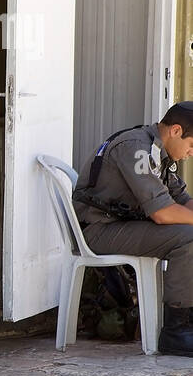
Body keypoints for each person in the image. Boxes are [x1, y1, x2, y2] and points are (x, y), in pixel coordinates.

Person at [73, 101, 193, 355]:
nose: (191, 152)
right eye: (192, 144)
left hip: (120, 227)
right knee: (189, 238)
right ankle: (176, 332)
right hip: (98, 230)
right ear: (175, 131)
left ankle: (186, 324)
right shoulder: (136, 148)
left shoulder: (158, 152)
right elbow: (162, 213)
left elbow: (181, 200)